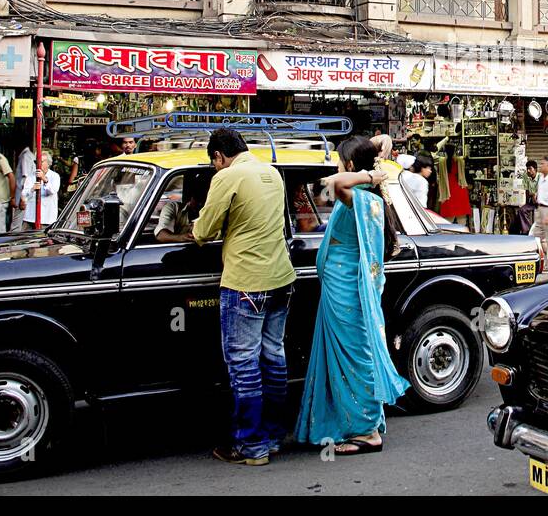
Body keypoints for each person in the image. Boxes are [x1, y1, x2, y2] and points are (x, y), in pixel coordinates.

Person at [295, 136, 411, 456]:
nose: (335, 165)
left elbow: (334, 182)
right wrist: (374, 152)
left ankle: (368, 431)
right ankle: (352, 423)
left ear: (348, 165)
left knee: (355, 357)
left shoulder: (362, 198)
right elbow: (383, 140)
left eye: (339, 159)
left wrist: (371, 173)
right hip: (337, 291)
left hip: (348, 293)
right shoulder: (361, 196)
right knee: (341, 359)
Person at [193, 129, 296, 467]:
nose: (215, 168)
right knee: (274, 358)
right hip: (281, 277)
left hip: (246, 282)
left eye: (213, 163)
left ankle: (251, 447)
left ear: (219, 156)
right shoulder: (272, 172)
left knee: (244, 365)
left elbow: (203, 231)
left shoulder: (227, 176)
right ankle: (274, 436)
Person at [156, 169, 212, 243]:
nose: (201, 204)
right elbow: (161, 235)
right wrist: (181, 237)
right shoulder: (173, 207)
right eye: (198, 198)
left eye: (204, 199)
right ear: (191, 197)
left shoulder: (213, 213)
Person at [19, 151, 61, 229]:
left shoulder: (54, 176)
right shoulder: (31, 176)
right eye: (36, 162)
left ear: (48, 163)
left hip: (46, 219)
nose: (38, 165)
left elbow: (52, 191)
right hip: (30, 217)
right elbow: (24, 195)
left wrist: (44, 179)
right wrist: (32, 189)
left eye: (41, 162)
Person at [11, 140, 36, 232]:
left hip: (22, 195)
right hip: (26, 194)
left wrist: (22, 198)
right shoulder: (28, 155)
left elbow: (25, 177)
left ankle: (12, 242)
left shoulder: (25, 157)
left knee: (16, 224)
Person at [517, 159, 539, 234]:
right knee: (521, 210)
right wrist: (524, 203)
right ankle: (527, 230)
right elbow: (525, 190)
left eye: (530, 168)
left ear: (535, 169)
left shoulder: (541, 177)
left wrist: (534, 195)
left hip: (541, 201)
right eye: (527, 169)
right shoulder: (525, 176)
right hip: (531, 201)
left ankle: (531, 231)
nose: (528, 171)